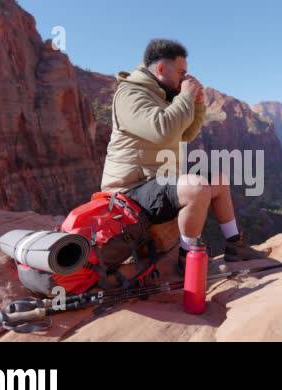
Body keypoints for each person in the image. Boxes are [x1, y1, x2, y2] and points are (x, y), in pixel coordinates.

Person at [100, 39, 269, 271]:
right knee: (196, 187)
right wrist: (185, 96)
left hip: (156, 181)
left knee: (218, 180)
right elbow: (163, 131)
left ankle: (234, 245)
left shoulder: (161, 94)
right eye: (181, 72)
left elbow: (185, 134)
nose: (184, 77)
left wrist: (197, 105)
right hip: (130, 189)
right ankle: (187, 259)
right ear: (161, 68)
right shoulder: (131, 94)